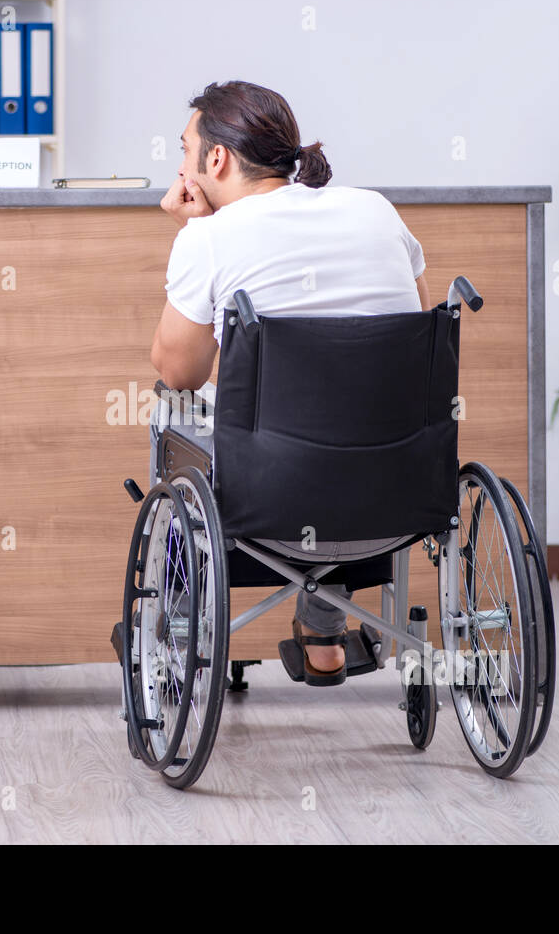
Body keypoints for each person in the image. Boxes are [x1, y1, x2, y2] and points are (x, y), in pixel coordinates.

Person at [149, 80, 430, 684]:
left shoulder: (209, 237)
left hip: (269, 503)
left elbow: (179, 371)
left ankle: (174, 619)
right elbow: (419, 329)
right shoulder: (375, 210)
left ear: (215, 159)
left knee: (169, 415)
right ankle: (325, 630)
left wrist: (187, 233)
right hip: (399, 497)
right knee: (338, 426)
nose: (180, 166)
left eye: (183, 148)